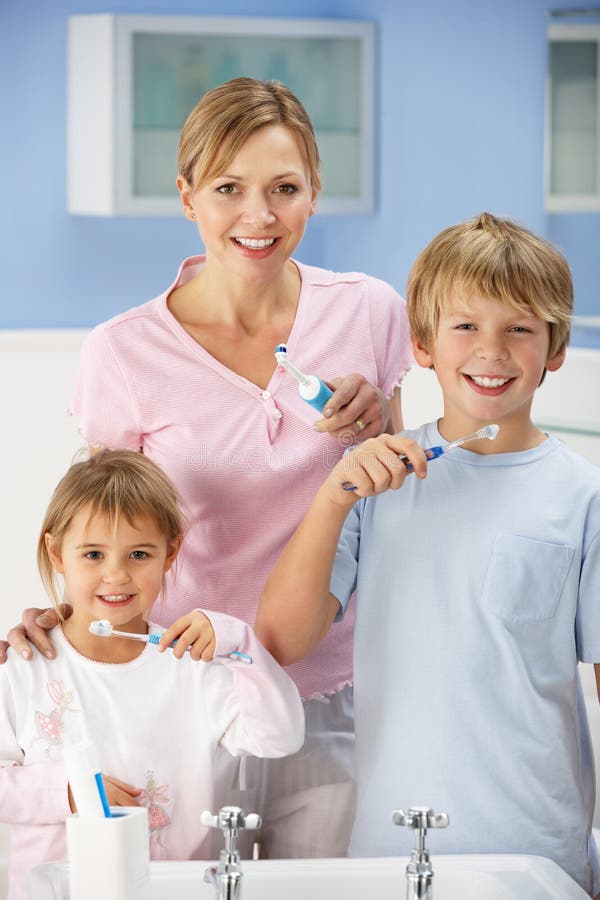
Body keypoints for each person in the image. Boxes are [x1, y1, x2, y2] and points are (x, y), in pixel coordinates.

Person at [3, 78, 413, 858]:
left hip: (334, 693)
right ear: (188, 194)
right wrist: (61, 614)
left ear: (314, 195)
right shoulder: (123, 352)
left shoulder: (370, 312)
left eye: (283, 189)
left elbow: (395, 496)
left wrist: (378, 420)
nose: (258, 217)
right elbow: (110, 517)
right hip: (187, 698)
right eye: (229, 188)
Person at [256, 212, 600, 895]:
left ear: (555, 349)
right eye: (465, 326)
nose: (491, 351)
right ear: (422, 344)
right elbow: (283, 638)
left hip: (537, 854)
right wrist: (334, 497)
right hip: (390, 854)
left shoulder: (582, 496)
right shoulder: (372, 481)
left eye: (520, 328)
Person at [0, 450, 304, 900]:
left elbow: (280, 737)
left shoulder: (191, 666)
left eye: (139, 553)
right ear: (56, 552)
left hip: (172, 891)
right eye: (93, 554)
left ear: (170, 553)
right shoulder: (23, 666)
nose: (116, 574)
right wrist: (70, 790)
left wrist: (238, 642)